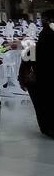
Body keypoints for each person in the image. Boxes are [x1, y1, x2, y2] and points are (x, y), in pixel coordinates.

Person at [31, 9, 54, 138]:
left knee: (47, 101)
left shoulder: (46, 34)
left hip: (46, 74)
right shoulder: (46, 34)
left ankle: (48, 127)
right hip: (47, 73)